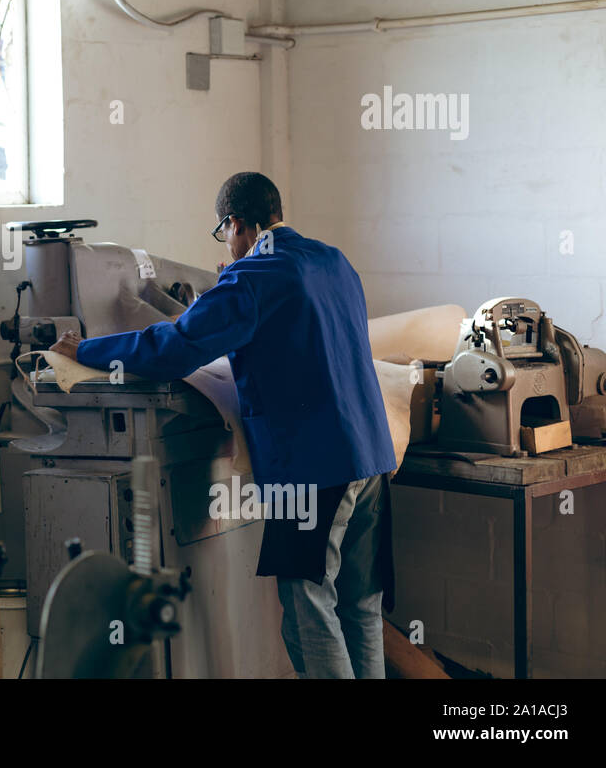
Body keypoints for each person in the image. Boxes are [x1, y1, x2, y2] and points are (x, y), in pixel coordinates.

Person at [51, 172, 395, 678]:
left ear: (236, 224)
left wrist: (86, 349)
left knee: (309, 612)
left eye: (224, 233)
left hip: (315, 471)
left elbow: (174, 349)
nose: (227, 245)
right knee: (359, 606)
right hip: (372, 457)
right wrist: (233, 283)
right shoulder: (331, 260)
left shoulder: (254, 277)